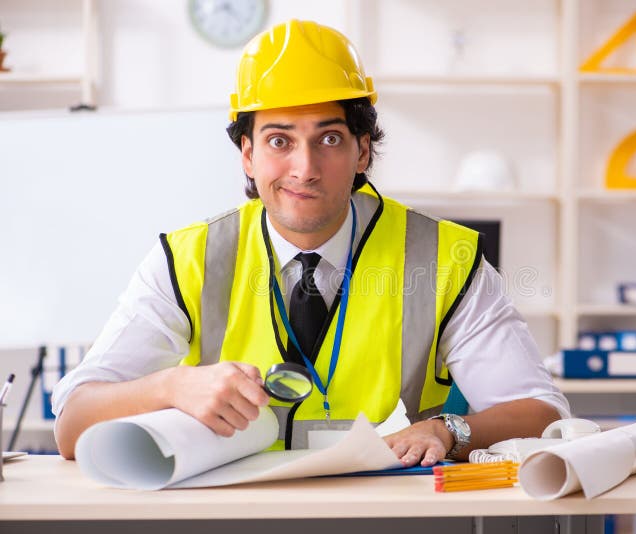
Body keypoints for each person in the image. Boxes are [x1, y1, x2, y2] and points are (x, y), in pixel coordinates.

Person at [52, 19, 569, 465]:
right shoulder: (187, 260)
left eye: (329, 139)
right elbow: (73, 422)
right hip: (234, 517)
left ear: (363, 151)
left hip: (393, 515)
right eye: (280, 140)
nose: (305, 168)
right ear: (248, 155)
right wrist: (170, 388)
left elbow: (543, 414)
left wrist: (450, 431)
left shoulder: (444, 257)